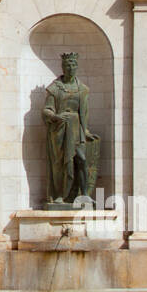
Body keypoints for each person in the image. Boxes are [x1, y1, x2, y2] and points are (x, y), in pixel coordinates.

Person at [43, 52, 95, 204]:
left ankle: (84, 194)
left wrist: (85, 131)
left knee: (82, 159)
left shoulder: (83, 89)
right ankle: (61, 194)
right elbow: (47, 109)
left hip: (76, 129)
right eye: (67, 65)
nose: (70, 68)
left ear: (77, 67)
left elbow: (84, 113)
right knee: (62, 163)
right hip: (60, 130)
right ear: (63, 67)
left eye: (73, 65)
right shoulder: (55, 88)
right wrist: (55, 116)